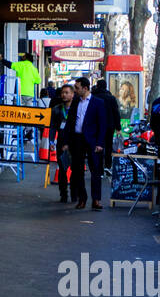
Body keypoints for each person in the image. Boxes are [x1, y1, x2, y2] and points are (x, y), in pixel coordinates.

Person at [67, 75, 107, 210]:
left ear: (85, 88)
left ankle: (96, 200)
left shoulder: (98, 102)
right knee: (78, 170)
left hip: (93, 141)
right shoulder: (75, 102)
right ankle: (82, 199)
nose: (75, 90)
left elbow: (103, 125)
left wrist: (100, 143)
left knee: (95, 170)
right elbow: (70, 121)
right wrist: (68, 140)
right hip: (77, 139)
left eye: (77, 88)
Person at [48, 82, 76, 202]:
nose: (64, 95)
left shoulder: (77, 108)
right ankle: (63, 194)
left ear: (72, 94)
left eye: (66, 93)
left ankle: (75, 195)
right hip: (61, 142)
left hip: (75, 143)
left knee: (76, 170)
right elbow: (53, 126)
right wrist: (51, 141)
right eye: (62, 93)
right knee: (62, 169)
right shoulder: (57, 109)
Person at [92, 78, 122, 170]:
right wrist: (118, 127)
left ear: (97, 86)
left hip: (96, 125)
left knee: (98, 145)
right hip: (109, 125)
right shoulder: (111, 98)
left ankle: (99, 167)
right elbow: (116, 113)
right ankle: (108, 166)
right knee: (108, 146)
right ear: (106, 87)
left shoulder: (93, 97)